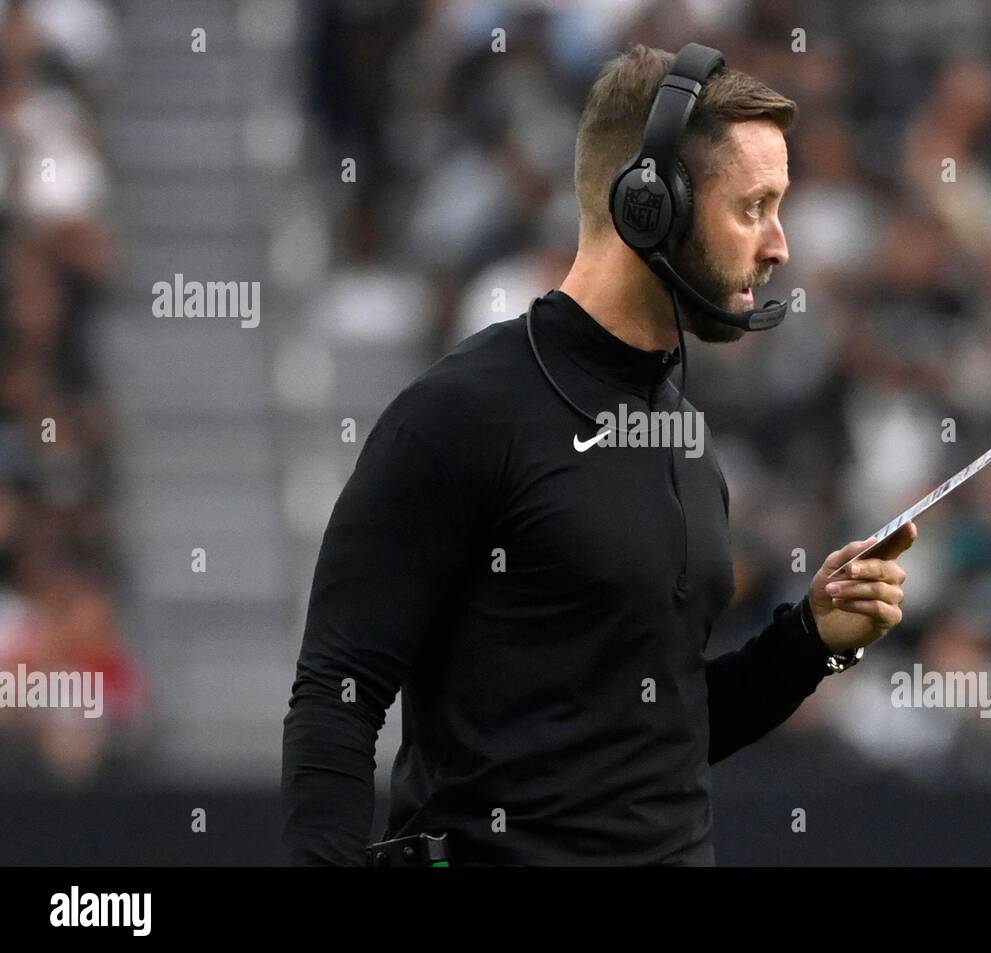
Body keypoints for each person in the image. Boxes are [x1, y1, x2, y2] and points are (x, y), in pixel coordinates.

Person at [281, 42, 916, 866]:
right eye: (753, 207)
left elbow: (656, 734)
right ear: (650, 205)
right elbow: (339, 693)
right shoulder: (461, 413)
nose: (779, 246)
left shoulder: (687, 441)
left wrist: (809, 642)